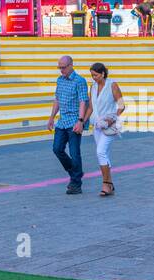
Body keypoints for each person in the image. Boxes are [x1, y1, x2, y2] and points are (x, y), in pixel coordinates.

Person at [46, 55, 88, 195]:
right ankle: (76, 172)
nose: (61, 70)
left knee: (75, 153)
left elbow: (83, 101)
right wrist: (51, 117)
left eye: (63, 67)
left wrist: (80, 121)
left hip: (74, 121)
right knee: (57, 149)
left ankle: (76, 183)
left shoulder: (80, 81)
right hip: (62, 121)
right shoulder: (60, 80)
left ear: (71, 65)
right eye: (59, 68)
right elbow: (57, 99)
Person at [88, 62, 125, 196]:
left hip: (110, 124)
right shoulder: (92, 87)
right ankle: (110, 185)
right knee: (104, 154)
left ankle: (105, 183)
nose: (94, 78)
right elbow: (91, 108)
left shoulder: (112, 85)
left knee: (100, 152)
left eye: (96, 75)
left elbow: (121, 105)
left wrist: (112, 118)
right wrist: (82, 121)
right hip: (97, 126)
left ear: (103, 73)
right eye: (92, 75)